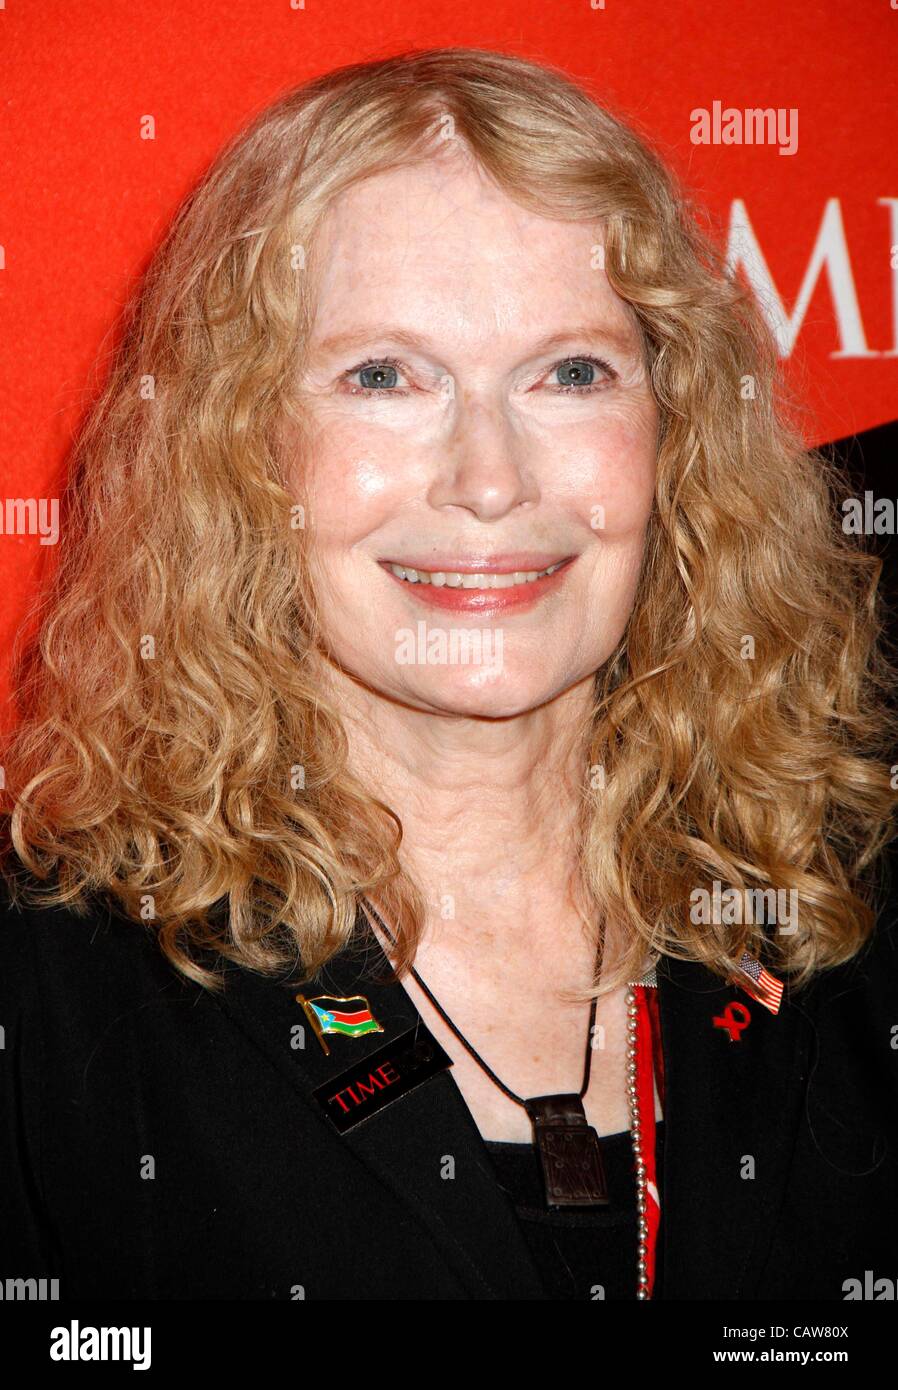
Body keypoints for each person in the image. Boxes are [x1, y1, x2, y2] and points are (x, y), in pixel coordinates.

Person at [1, 46, 896, 1303]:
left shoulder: (834, 904)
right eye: (385, 377)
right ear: (242, 445)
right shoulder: (53, 983)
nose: (489, 477)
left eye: (569, 372)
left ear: (671, 431)